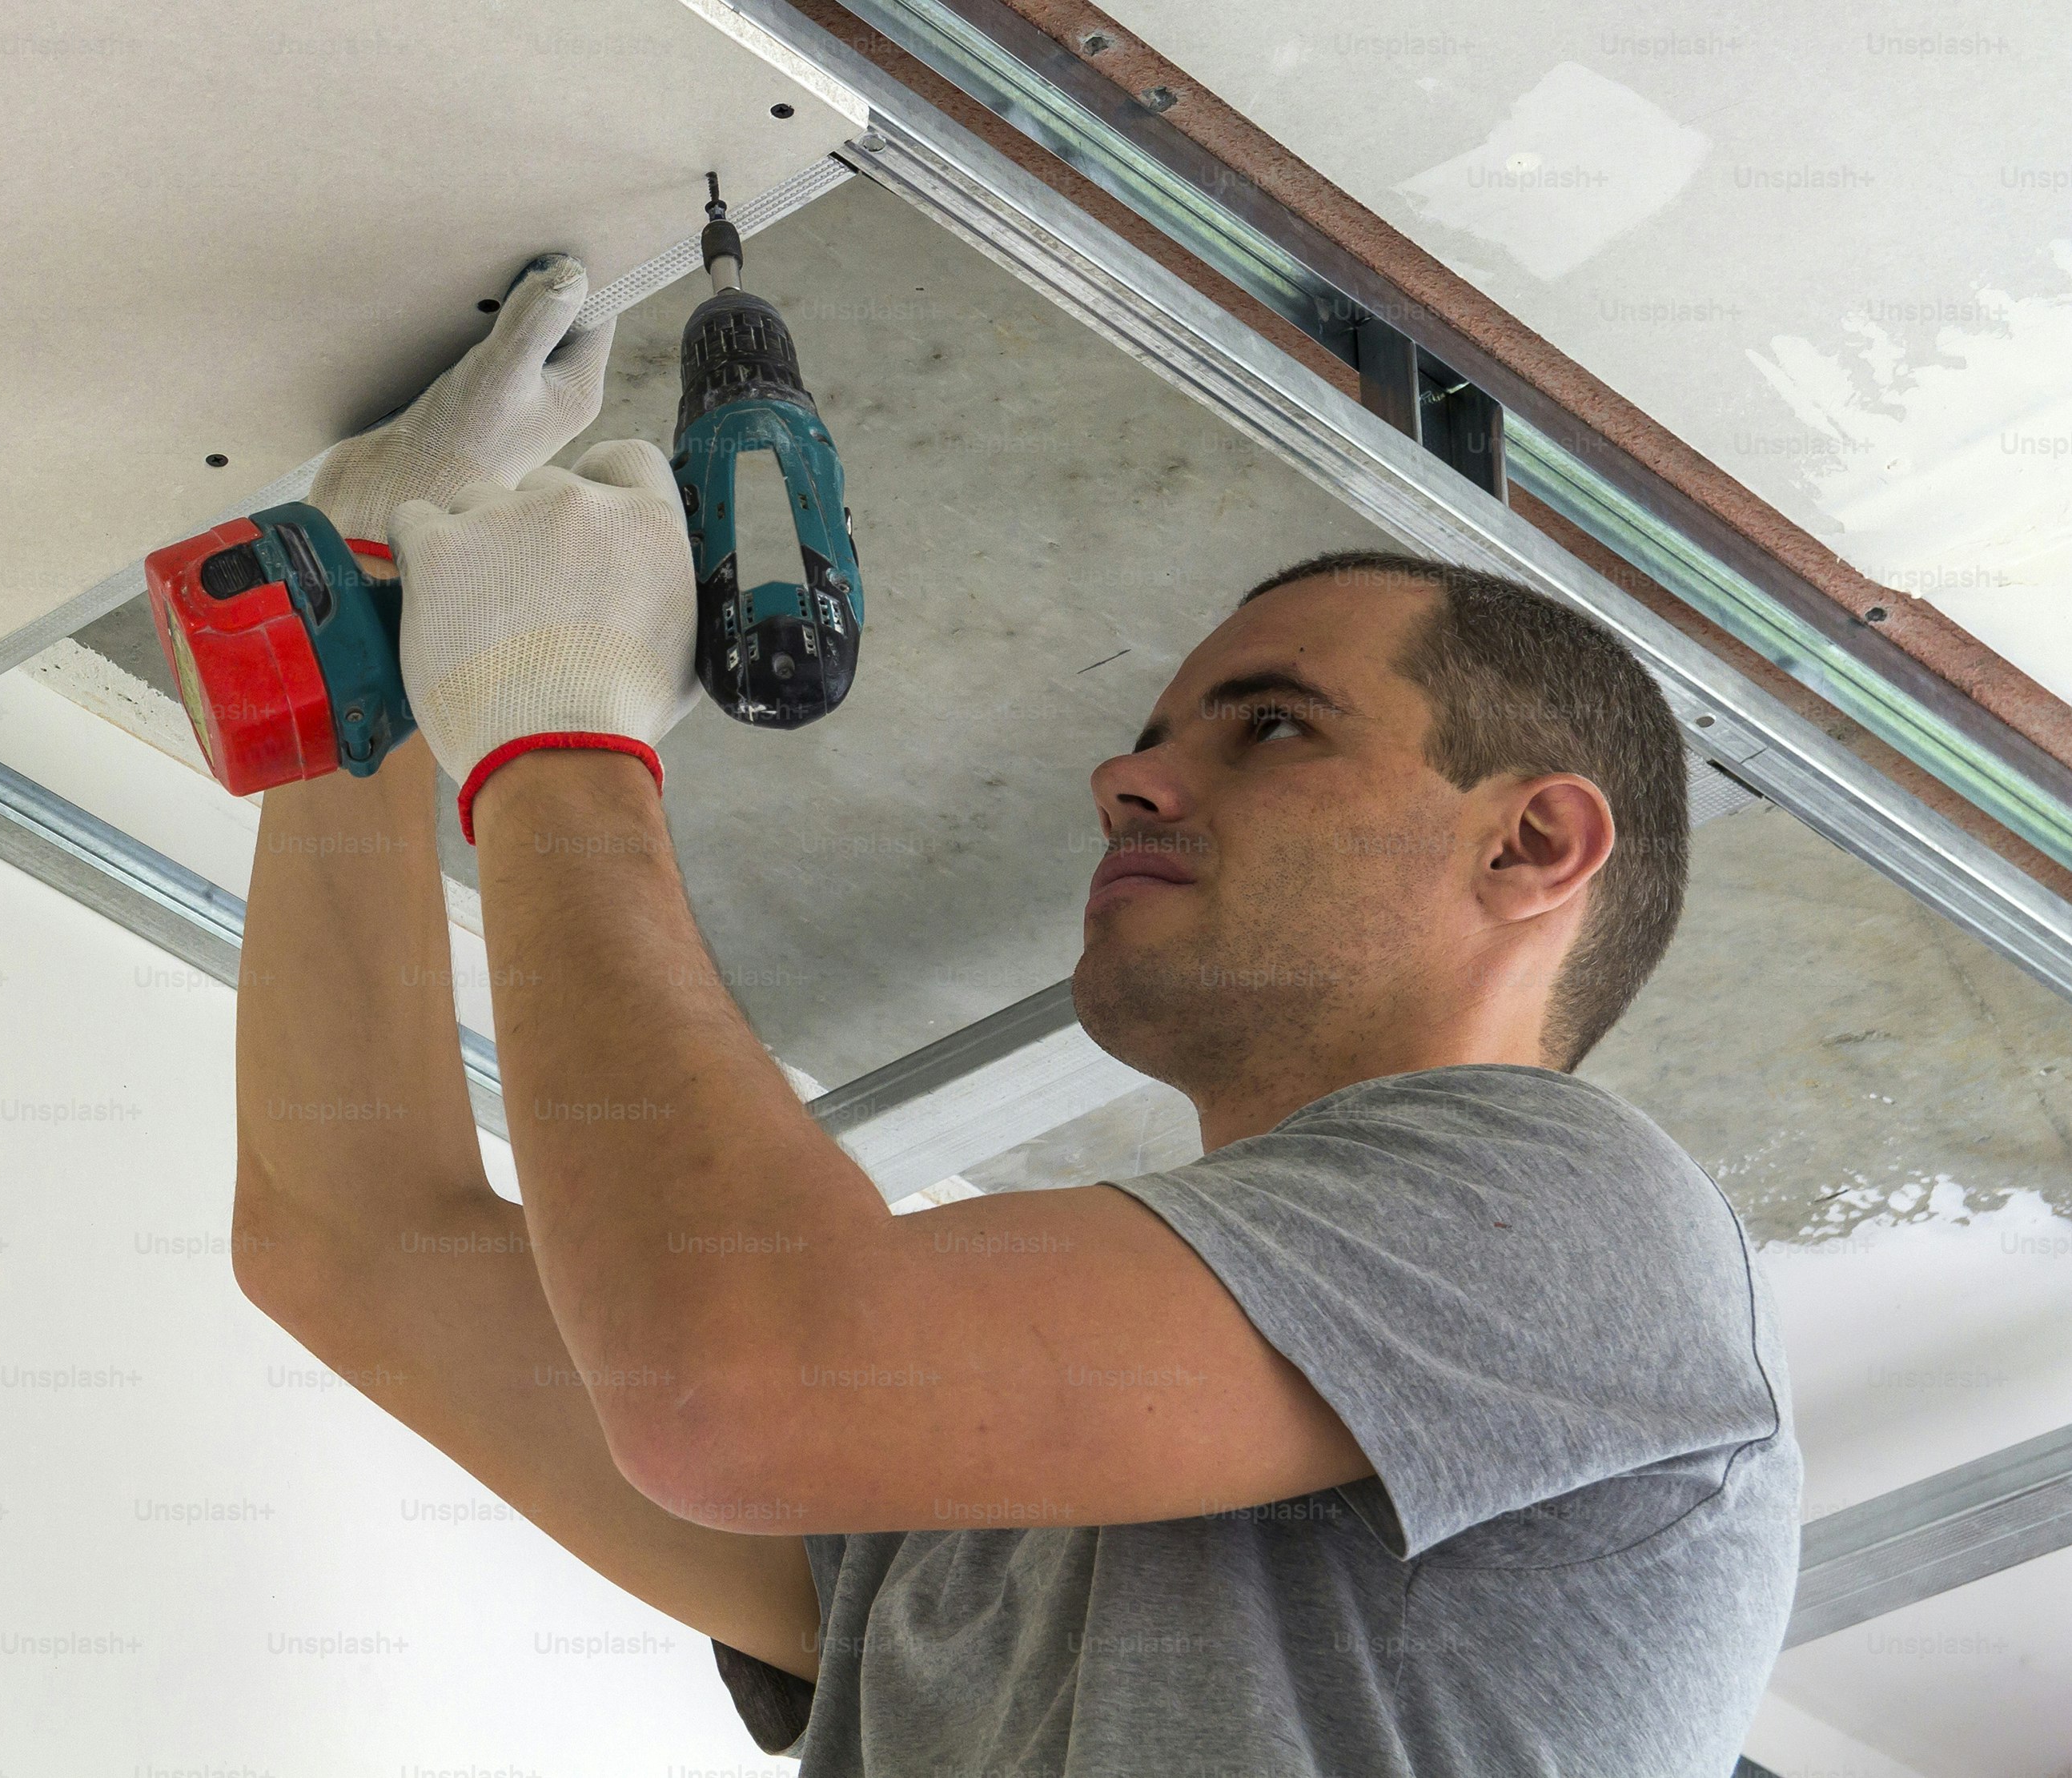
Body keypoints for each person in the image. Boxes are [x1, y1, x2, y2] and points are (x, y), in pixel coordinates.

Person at [233, 253, 1801, 1776]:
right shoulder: (979, 1471)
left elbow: (739, 1384)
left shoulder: (1581, 1219)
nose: (1125, 776)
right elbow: (353, 1240)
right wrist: (362, 610)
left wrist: (553, 731)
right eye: (1154, 733)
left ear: (1531, 846)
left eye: (1272, 725)